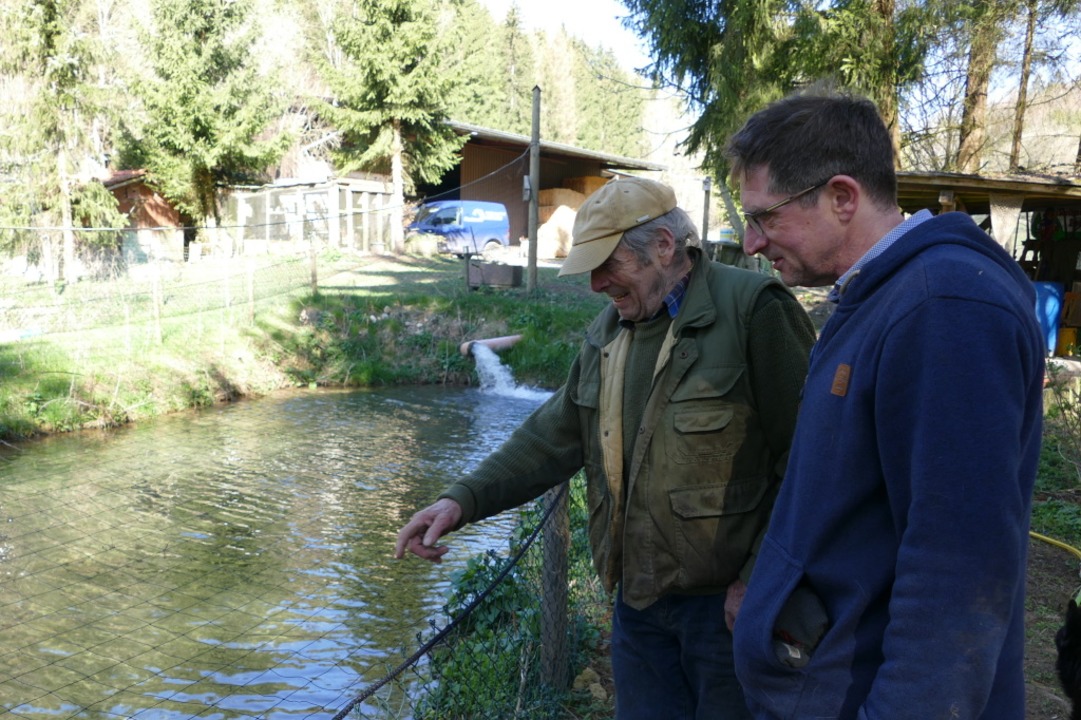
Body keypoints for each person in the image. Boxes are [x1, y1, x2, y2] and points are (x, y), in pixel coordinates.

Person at [395, 176, 816, 719]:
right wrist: (461, 501)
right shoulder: (608, 330)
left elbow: (809, 462)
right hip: (638, 607)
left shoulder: (756, 311)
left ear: (665, 247)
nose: (596, 284)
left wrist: (756, 584)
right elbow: (552, 435)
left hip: (731, 611)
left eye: (607, 265)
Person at [724, 91, 1045, 719]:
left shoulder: (944, 309)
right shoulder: (884, 298)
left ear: (842, 197)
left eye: (766, 217)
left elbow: (956, 576)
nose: (751, 242)